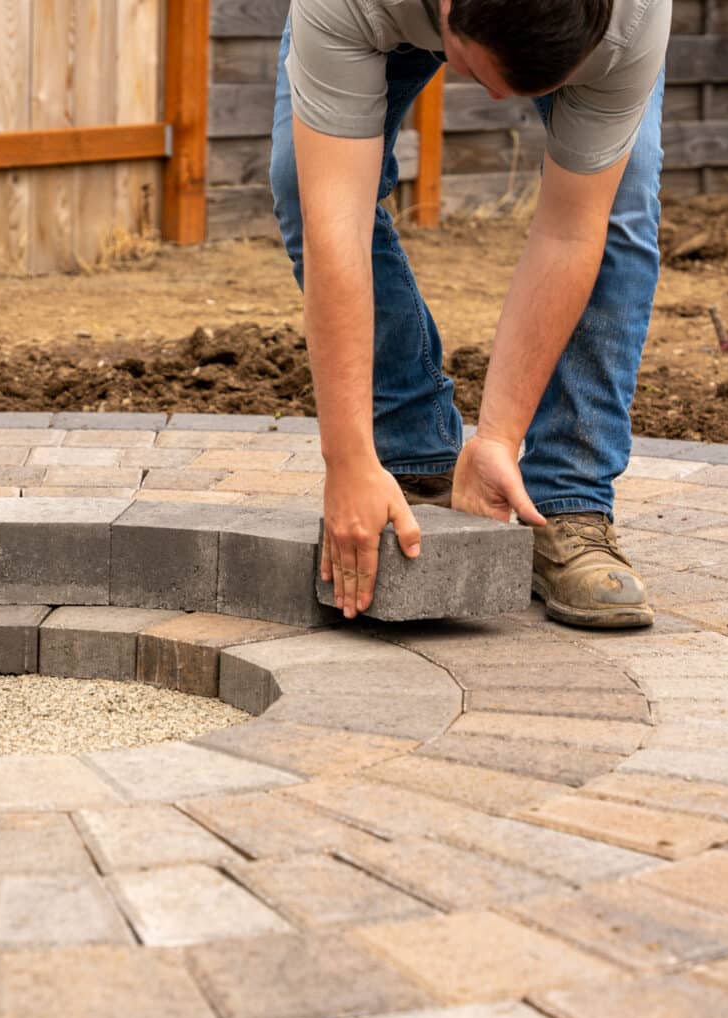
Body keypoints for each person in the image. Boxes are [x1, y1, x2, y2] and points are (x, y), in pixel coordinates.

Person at [271, 0, 671, 628]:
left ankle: (565, 498)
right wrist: (345, 461)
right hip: (382, 14)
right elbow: (336, 229)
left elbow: (570, 232)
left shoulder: (631, 21)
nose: (493, 99)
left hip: (593, 39)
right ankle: (408, 452)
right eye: (478, 70)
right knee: (308, 183)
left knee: (617, 204)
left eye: (519, 87)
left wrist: (499, 436)